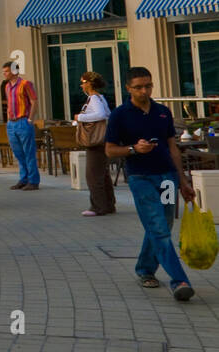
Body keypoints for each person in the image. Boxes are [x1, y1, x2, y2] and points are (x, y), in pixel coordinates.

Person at [104, 66, 196, 301]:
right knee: (158, 228)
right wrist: (134, 149)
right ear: (128, 88)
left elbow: (172, 148)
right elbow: (110, 150)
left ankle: (145, 269)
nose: (144, 91)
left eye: (148, 85)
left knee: (163, 222)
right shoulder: (119, 115)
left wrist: (183, 180)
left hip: (166, 177)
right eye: (138, 87)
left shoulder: (163, 112)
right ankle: (179, 280)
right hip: (140, 177)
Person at [75, 72, 115, 217]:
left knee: (92, 175)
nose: (81, 85)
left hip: (95, 142)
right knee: (103, 174)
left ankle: (98, 207)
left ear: (89, 83)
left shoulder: (93, 99)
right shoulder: (100, 98)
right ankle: (108, 204)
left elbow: (101, 115)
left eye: (83, 82)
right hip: (102, 140)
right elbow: (108, 115)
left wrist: (80, 117)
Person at [2, 62, 40, 189]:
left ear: (14, 71)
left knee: (29, 152)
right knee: (18, 153)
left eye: (7, 71)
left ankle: (33, 181)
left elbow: (34, 101)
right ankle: (24, 179)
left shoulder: (25, 84)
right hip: (11, 123)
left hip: (23, 121)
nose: (4, 73)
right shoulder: (7, 86)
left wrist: (30, 119)